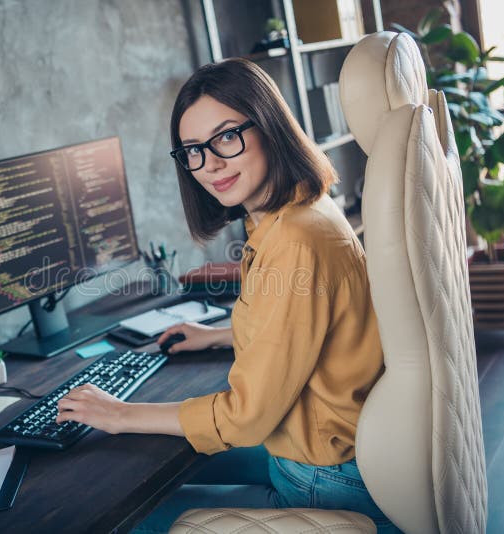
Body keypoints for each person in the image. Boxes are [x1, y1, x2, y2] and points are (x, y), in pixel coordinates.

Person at [56, 58, 396, 532]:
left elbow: (246, 418)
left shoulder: (296, 240)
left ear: (269, 126)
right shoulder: (294, 212)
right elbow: (302, 328)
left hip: (323, 476)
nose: (209, 163)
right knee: (149, 464)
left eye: (226, 137)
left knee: (128, 516)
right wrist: (215, 335)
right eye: (192, 150)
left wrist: (119, 412)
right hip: (328, 450)